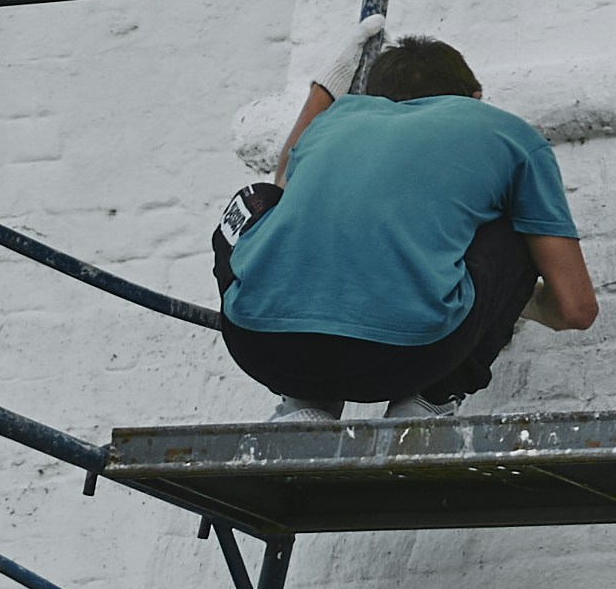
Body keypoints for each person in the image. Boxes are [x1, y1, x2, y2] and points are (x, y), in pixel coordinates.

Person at [218, 33, 596, 419]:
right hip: (411, 356)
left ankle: (304, 404)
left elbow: (281, 186)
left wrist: (323, 89)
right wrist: (511, 301)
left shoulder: (332, 122)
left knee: (255, 202)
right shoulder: (509, 135)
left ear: (377, 99)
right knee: (519, 228)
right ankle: (428, 401)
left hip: (264, 349)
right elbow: (576, 309)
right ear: (476, 97)